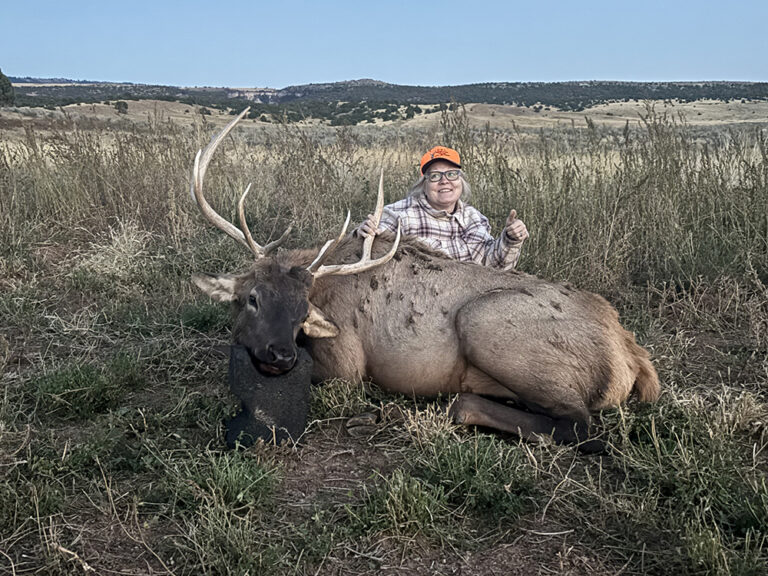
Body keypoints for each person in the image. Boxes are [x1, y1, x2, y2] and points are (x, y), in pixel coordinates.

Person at [358, 145, 528, 270]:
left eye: (452, 174)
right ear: (423, 184)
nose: (444, 181)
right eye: (435, 176)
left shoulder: (474, 218)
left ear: (461, 180)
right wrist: (364, 233)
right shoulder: (399, 214)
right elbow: (374, 236)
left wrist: (510, 240)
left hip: (469, 296)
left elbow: (493, 266)